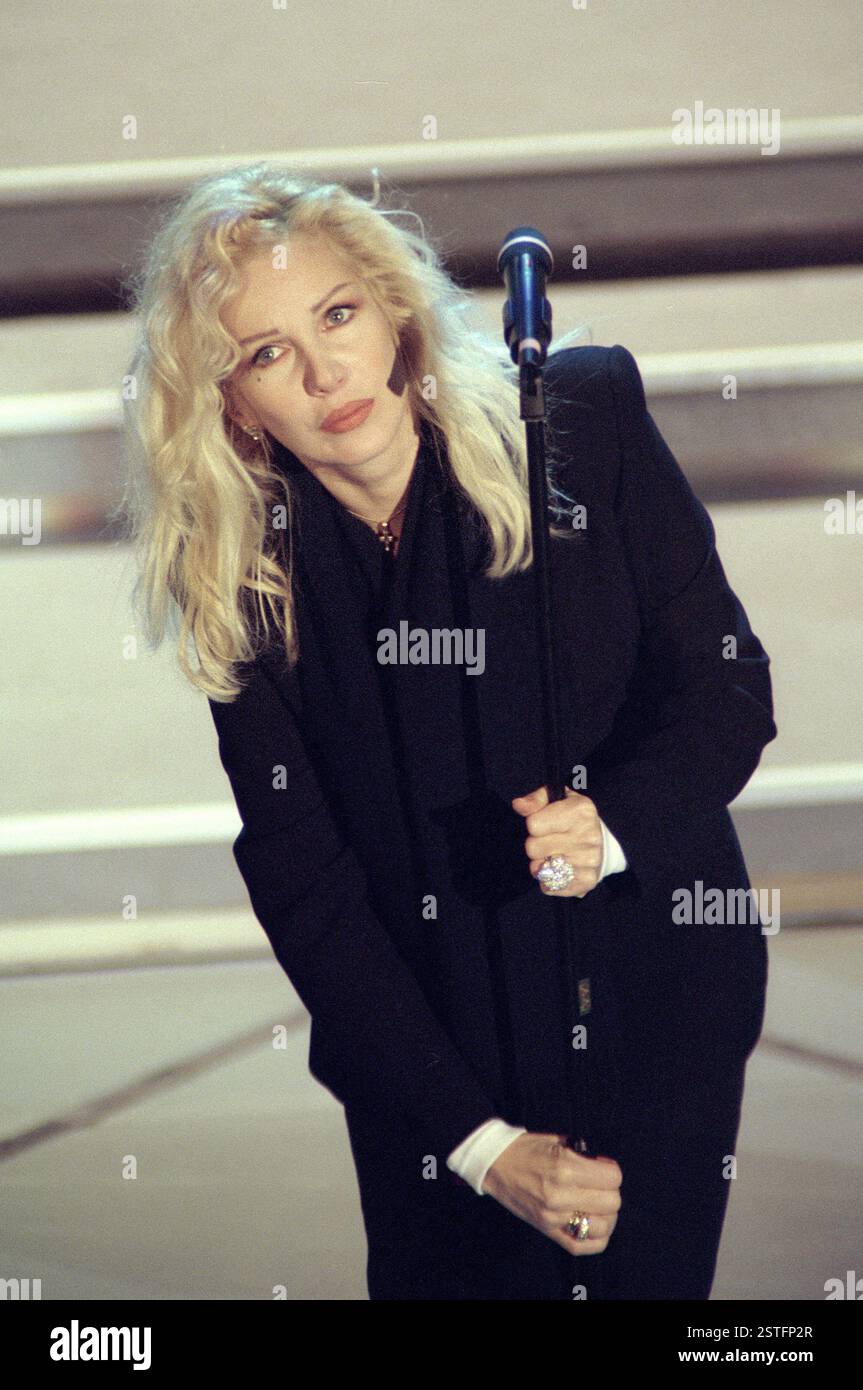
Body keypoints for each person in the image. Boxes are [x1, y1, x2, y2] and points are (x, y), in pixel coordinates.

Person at [122, 161, 777, 1301]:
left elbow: (728, 691)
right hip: (429, 1066)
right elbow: (306, 882)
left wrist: (613, 823)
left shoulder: (580, 420)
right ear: (232, 402)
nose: (326, 371)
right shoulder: (235, 580)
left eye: (336, 315)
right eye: (266, 353)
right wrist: (479, 1145)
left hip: (650, 1008)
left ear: (394, 313)